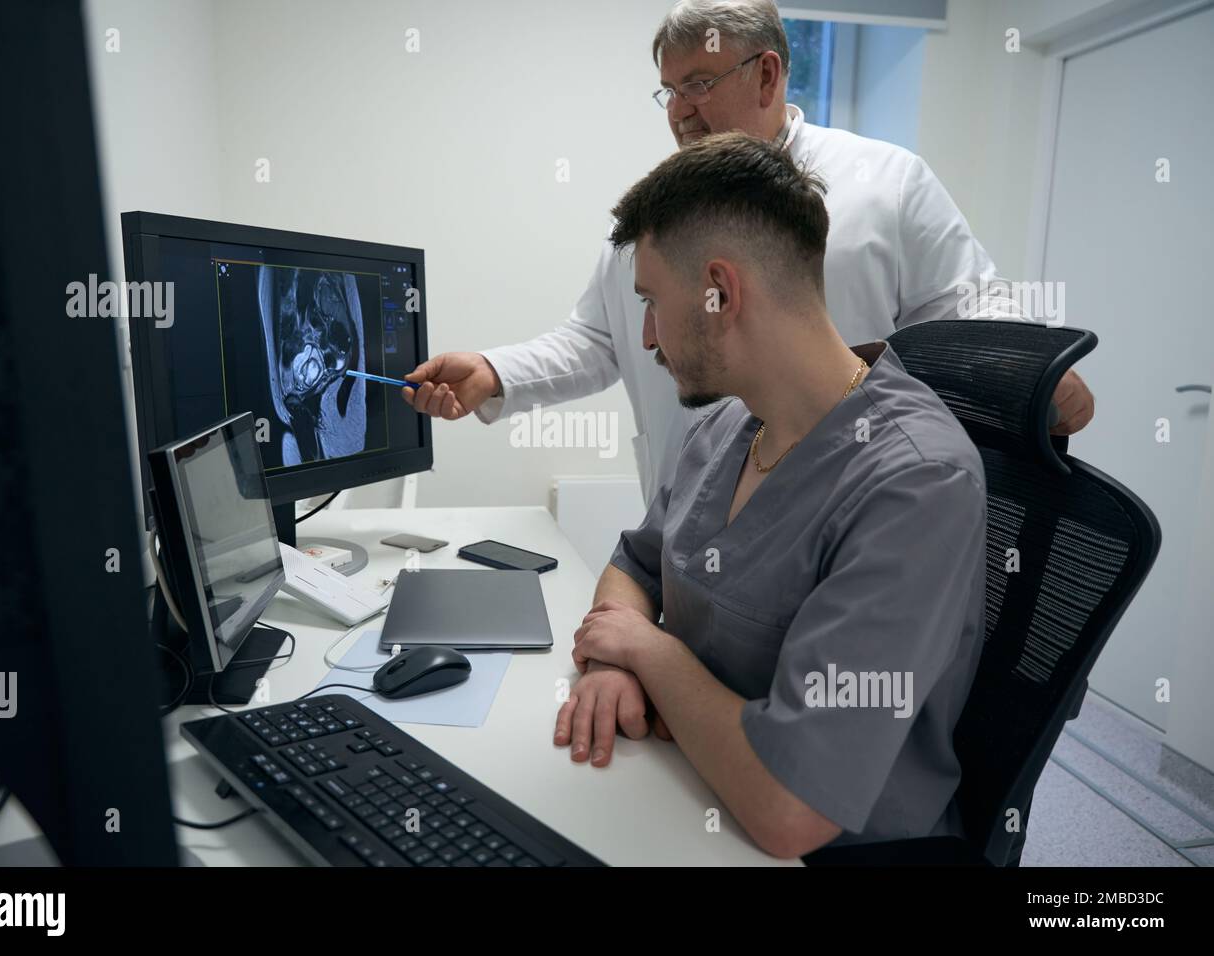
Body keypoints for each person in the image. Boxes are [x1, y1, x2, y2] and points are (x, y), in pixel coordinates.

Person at [401, 0, 1094, 508]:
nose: (679, 111)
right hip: (688, 527)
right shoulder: (660, 212)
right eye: (669, 91)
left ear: (767, 76)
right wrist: (494, 373)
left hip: (843, 522)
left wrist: (1025, 374)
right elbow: (597, 338)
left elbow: (972, 308)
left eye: (698, 83)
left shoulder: (887, 184)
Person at [553, 131, 987, 857]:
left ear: (722, 291)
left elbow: (793, 811)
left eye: (653, 302)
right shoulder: (727, 420)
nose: (651, 336)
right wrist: (607, 665)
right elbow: (635, 565)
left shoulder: (915, 483)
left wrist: (650, 655)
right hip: (691, 791)